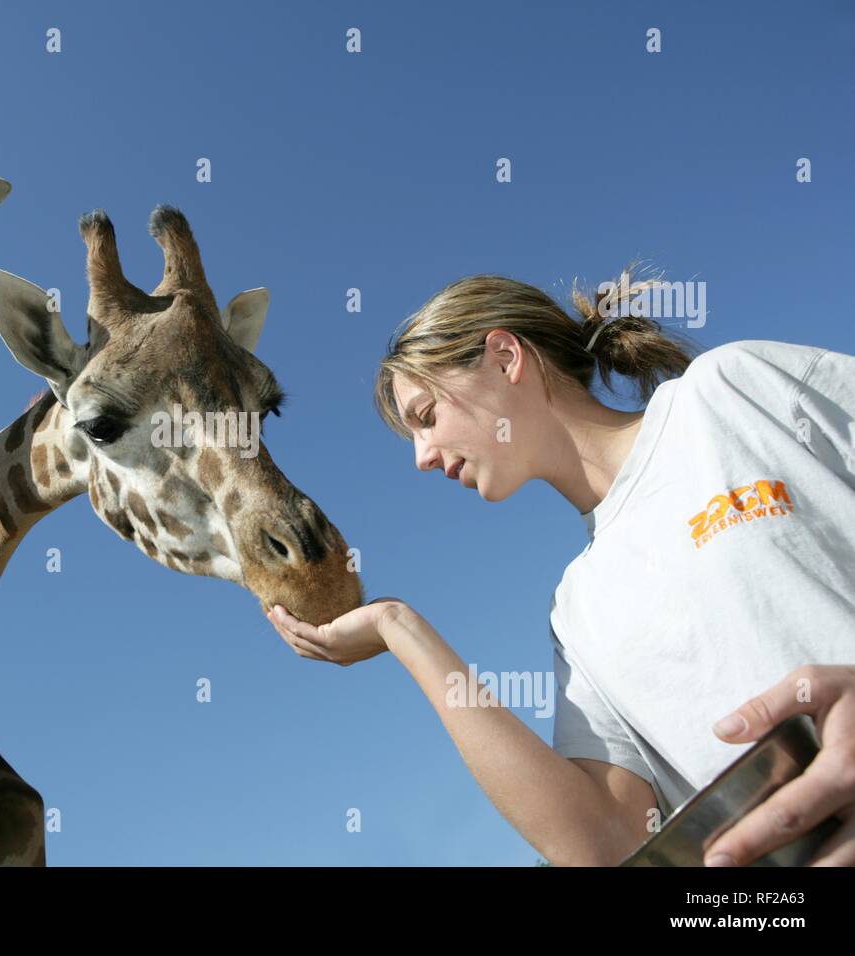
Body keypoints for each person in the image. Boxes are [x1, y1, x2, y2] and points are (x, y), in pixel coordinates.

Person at [267, 269, 855, 866]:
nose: (422, 458)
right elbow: (601, 842)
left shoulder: (730, 393)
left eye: (425, 416)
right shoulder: (577, 610)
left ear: (503, 358)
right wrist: (400, 628)